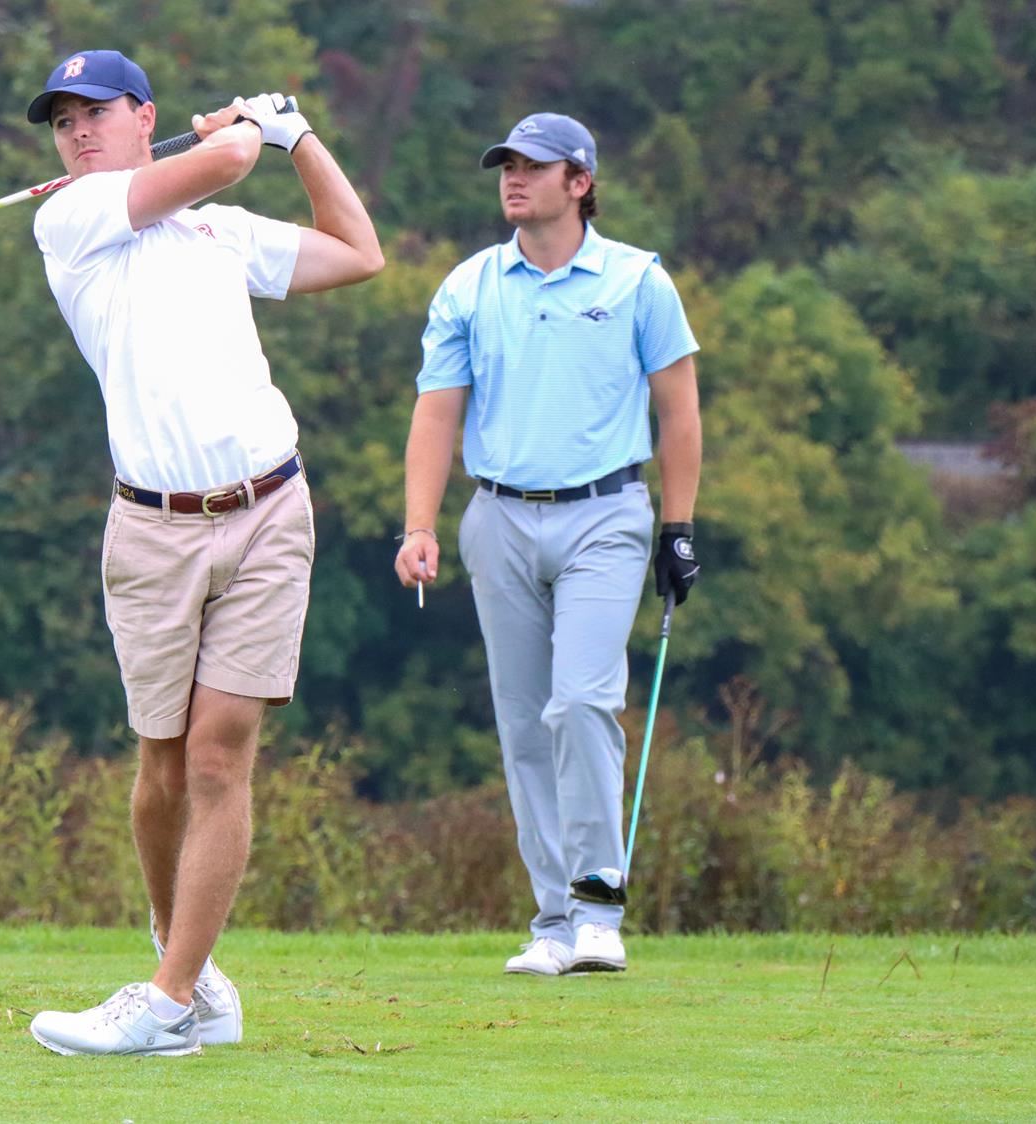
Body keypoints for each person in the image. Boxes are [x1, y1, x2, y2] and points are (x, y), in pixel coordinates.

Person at [21, 50, 384, 1055]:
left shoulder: (219, 234)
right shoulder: (68, 221)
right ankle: (182, 951)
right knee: (162, 769)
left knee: (220, 751)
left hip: (269, 505)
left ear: (143, 116)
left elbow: (357, 253)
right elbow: (221, 162)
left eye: (95, 113)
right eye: (61, 123)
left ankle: (171, 995)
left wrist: (295, 133)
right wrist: (247, 128)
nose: (77, 132)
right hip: (149, 527)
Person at [394, 112, 701, 976]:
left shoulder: (640, 281)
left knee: (582, 703)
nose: (513, 179)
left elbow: (678, 409)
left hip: (607, 515)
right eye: (507, 166)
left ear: (580, 183)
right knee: (525, 725)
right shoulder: (469, 286)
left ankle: (600, 910)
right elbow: (436, 411)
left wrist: (677, 528)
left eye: (534, 167)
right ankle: (555, 923)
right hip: (498, 518)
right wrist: (419, 524)